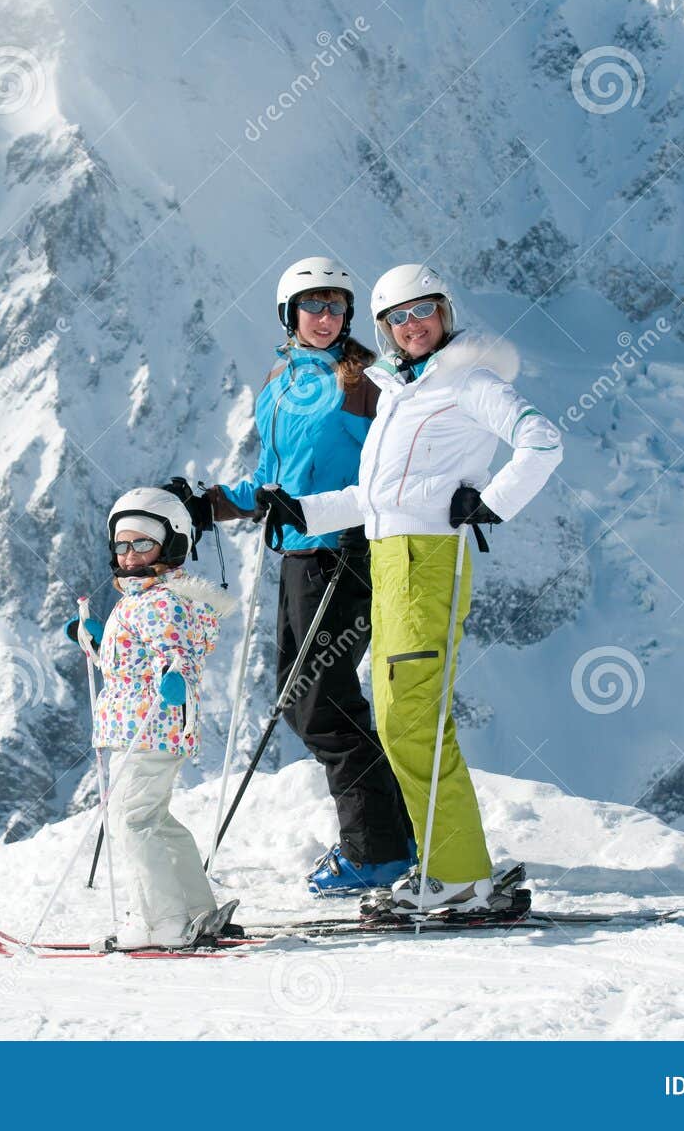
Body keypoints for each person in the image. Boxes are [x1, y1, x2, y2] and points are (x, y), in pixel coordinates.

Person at [256, 264, 563, 914]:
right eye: (398, 317)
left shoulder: (467, 381)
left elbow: (541, 440)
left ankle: (459, 876)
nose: (413, 324)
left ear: (445, 313)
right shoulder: (399, 391)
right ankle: (454, 867)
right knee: (404, 718)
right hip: (390, 559)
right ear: (385, 330)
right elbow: (373, 496)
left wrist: (491, 503)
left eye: (424, 310)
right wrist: (302, 513)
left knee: (410, 717)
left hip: (428, 560)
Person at [207, 256, 414, 896]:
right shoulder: (278, 381)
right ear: (289, 315)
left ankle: (379, 851)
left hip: (347, 548)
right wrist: (211, 502)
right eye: (313, 306)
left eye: (335, 307)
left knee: (322, 700)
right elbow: (275, 480)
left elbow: (402, 462)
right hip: (298, 553)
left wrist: (364, 516)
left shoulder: (366, 383)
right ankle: (391, 835)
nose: (325, 318)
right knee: (302, 702)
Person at [65, 486, 237, 948]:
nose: (130, 554)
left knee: (131, 820)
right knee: (155, 821)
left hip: (152, 728)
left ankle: (161, 920)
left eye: (143, 543)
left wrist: (175, 675)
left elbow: (176, 654)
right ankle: (196, 908)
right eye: (122, 544)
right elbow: (130, 667)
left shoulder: (161, 601)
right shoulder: (139, 599)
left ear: (173, 544)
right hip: (143, 726)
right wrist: (97, 642)